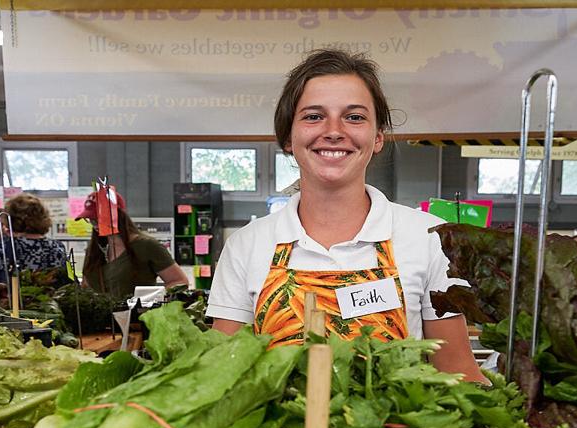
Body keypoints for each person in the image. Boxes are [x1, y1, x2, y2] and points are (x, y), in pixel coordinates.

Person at [207, 48, 487, 384]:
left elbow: (458, 373)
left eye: (354, 117)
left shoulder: (430, 238)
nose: (334, 131)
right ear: (287, 138)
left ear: (378, 137)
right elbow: (220, 380)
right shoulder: (246, 245)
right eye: (313, 116)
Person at [77, 189, 188, 300]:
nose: (95, 224)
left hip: (136, 315)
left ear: (117, 215)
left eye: (98, 219)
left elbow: (179, 282)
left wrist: (150, 299)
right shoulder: (94, 251)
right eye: (91, 220)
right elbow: (86, 287)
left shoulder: (146, 246)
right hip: (99, 316)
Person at [0, 193, 68, 288]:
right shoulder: (57, 246)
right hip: (50, 306)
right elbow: (67, 282)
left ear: (10, 219)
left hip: (11, 306)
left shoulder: (3, 245)